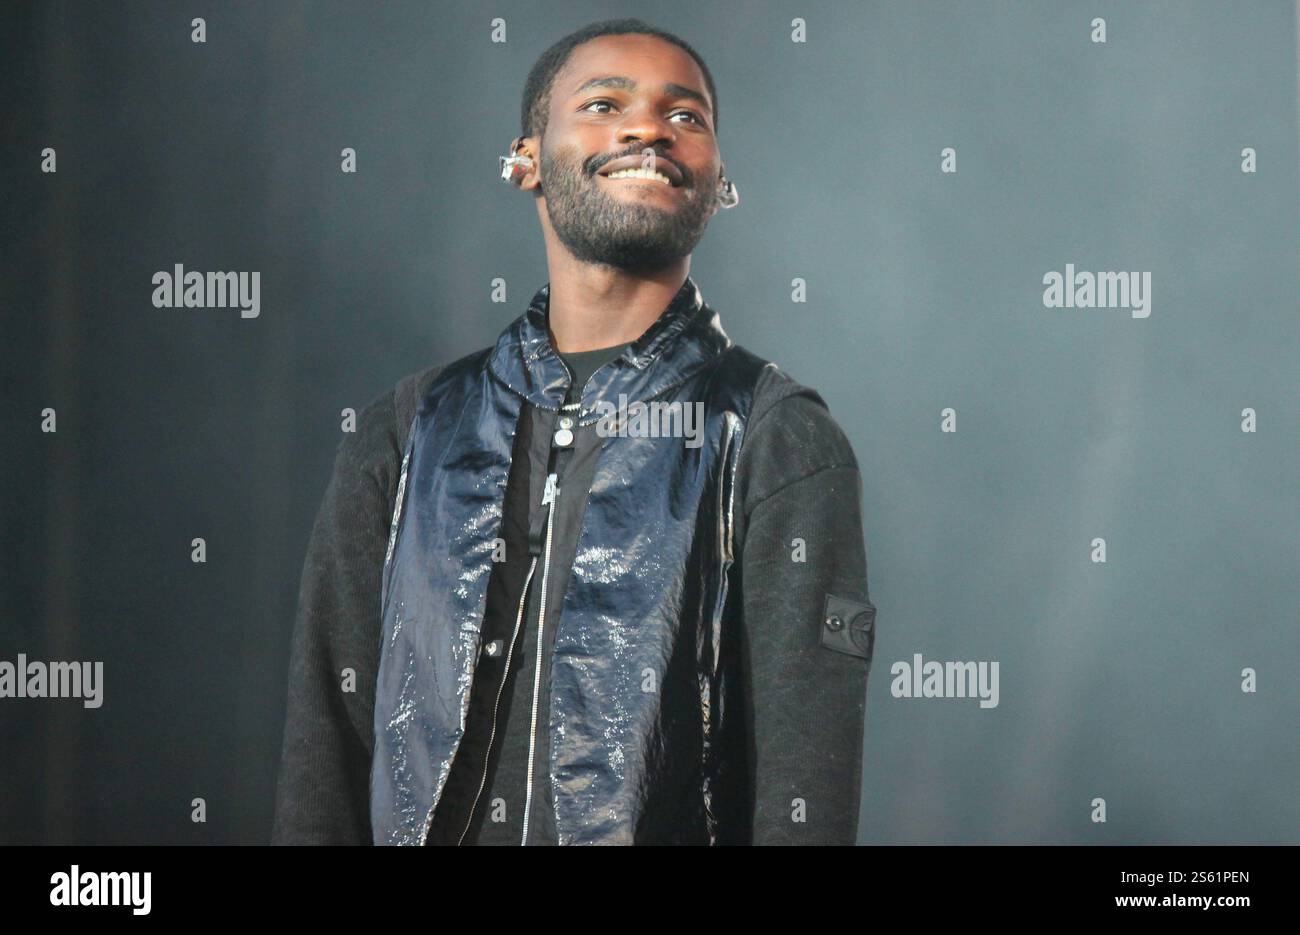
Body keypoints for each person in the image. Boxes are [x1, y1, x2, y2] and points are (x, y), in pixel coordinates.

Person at [271, 17, 878, 846]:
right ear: (525, 160)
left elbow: (807, 795)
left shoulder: (777, 440)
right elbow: (325, 758)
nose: (647, 127)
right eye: (603, 103)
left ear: (719, 180)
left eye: (686, 116)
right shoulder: (405, 432)